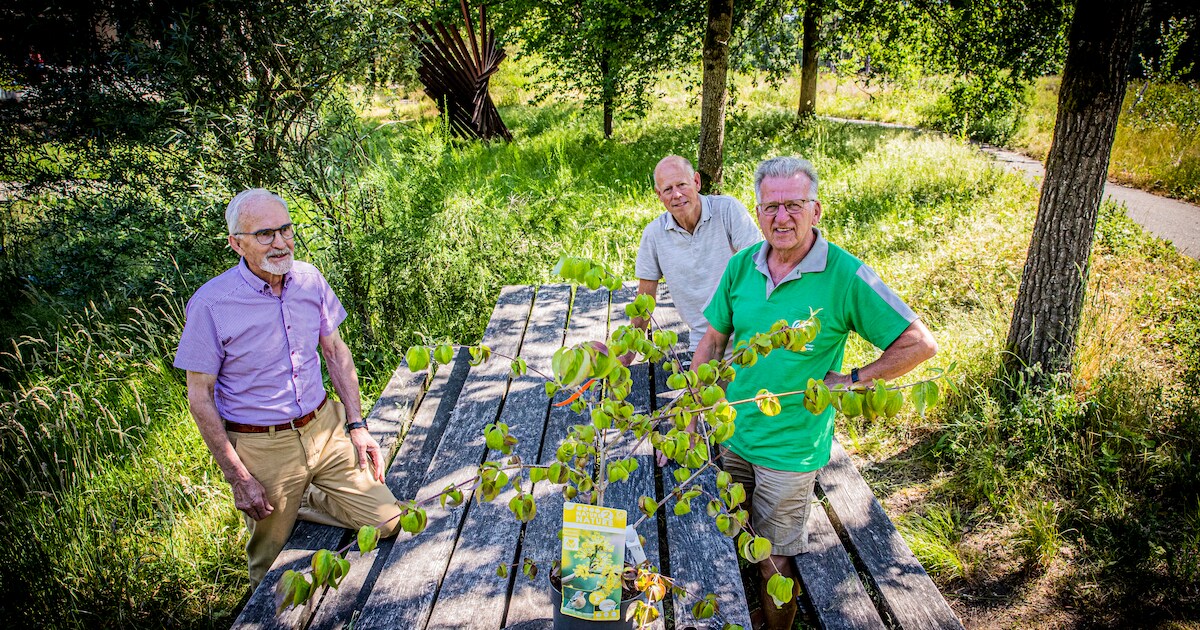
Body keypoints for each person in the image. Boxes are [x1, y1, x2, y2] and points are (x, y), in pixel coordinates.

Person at [693, 156, 938, 629]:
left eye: (793, 205)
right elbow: (713, 340)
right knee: (739, 532)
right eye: (770, 207)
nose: (781, 218)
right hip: (733, 433)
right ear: (757, 211)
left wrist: (850, 380)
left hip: (790, 448)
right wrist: (693, 407)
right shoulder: (742, 265)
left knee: (776, 559)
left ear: (816, 210)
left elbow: (919, 343)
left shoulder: (845, 275)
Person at [174, 188, 401, 589]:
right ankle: (290, 498)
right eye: (265, 234)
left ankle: (302, 495)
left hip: (324, 428)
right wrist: (237, 475)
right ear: (236, 244)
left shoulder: (309, 280)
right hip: (263, 445)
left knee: (388, 521)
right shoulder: (211, 305)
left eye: (285, 229)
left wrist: (357, 424)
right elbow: (199, 397)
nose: (280, 242)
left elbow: (335, 352)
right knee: (272, 570)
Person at [623, 155, 761, 364]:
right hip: (705, 343)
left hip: (750, 334)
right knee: (700, 395)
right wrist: (627, 353)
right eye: (668, 189)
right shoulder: (654, 234)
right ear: (658, 194)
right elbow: (645, 300)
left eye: (682, 184)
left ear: (697, 182)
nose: (676, 194)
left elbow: (759, 267)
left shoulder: (727, 210)